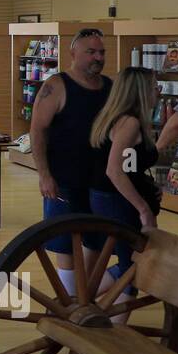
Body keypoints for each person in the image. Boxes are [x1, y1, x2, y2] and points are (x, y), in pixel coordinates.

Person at [28, 28, 111, 291]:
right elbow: (37, 130)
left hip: (101, 179)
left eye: (101, 52)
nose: (98, 57)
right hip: (63, 177)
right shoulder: (56, 86)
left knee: (97, 237)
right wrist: (44, 174)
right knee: (65, 239)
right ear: (73, 53)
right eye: (91, 52)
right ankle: (69, 295)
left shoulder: (110, 87)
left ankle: (84, 292)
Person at [87, 67, 161, 318]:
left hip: (108, 198)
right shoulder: (129, 123)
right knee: (133, 267)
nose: (158, 92)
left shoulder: (115, 118)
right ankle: (88, 306)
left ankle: (85, 301)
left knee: (130, 264)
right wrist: (143, 208)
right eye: (154, 86)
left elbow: (129, 165)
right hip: (119, 203)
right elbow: (115, 170)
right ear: (140, 91)